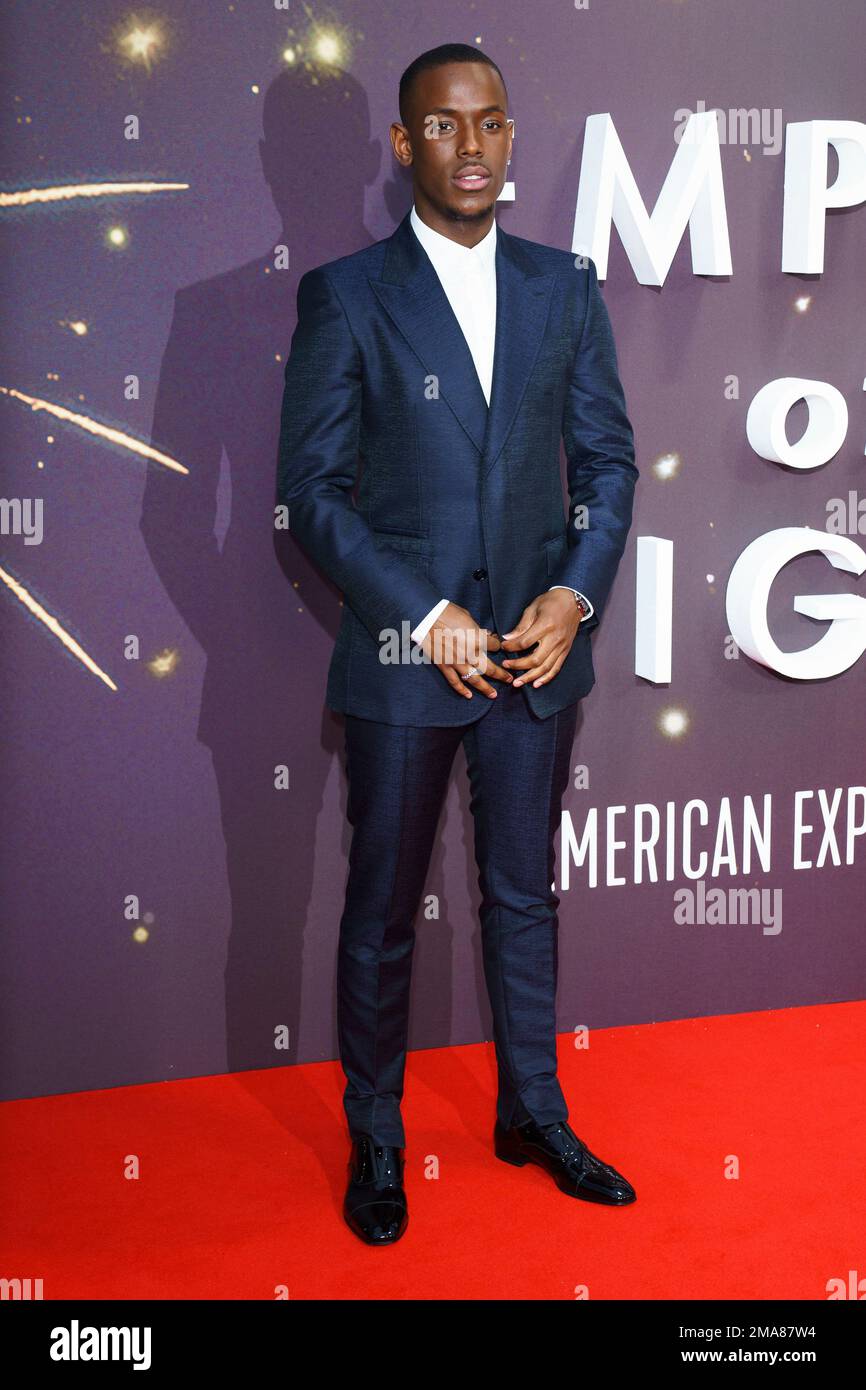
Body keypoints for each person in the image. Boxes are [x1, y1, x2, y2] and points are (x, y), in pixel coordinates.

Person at [277, 42, 639, 1244]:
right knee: (379, 907)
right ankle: (375, 1134)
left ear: (510, 137)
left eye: (488, 123)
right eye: (442, 126)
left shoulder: (565, 284)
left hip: (534, 660)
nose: (470, 146)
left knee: (522, 895)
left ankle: (530, 1111)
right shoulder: (344, 295)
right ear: (402, 145)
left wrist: (571, 597)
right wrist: (426, 619)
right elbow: (313, 495)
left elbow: (606, 464)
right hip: (403, 658)